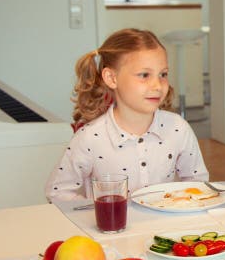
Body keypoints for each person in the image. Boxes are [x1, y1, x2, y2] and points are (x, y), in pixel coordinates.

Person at [45, 28, 209, 201]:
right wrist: (95, 212)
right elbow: (57, 191)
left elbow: (197, 182)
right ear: (111, 78)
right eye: (144, 75)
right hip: (112, 227)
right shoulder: (90, 138)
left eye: (163, 74)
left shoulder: (178, 128)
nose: (157, 85)